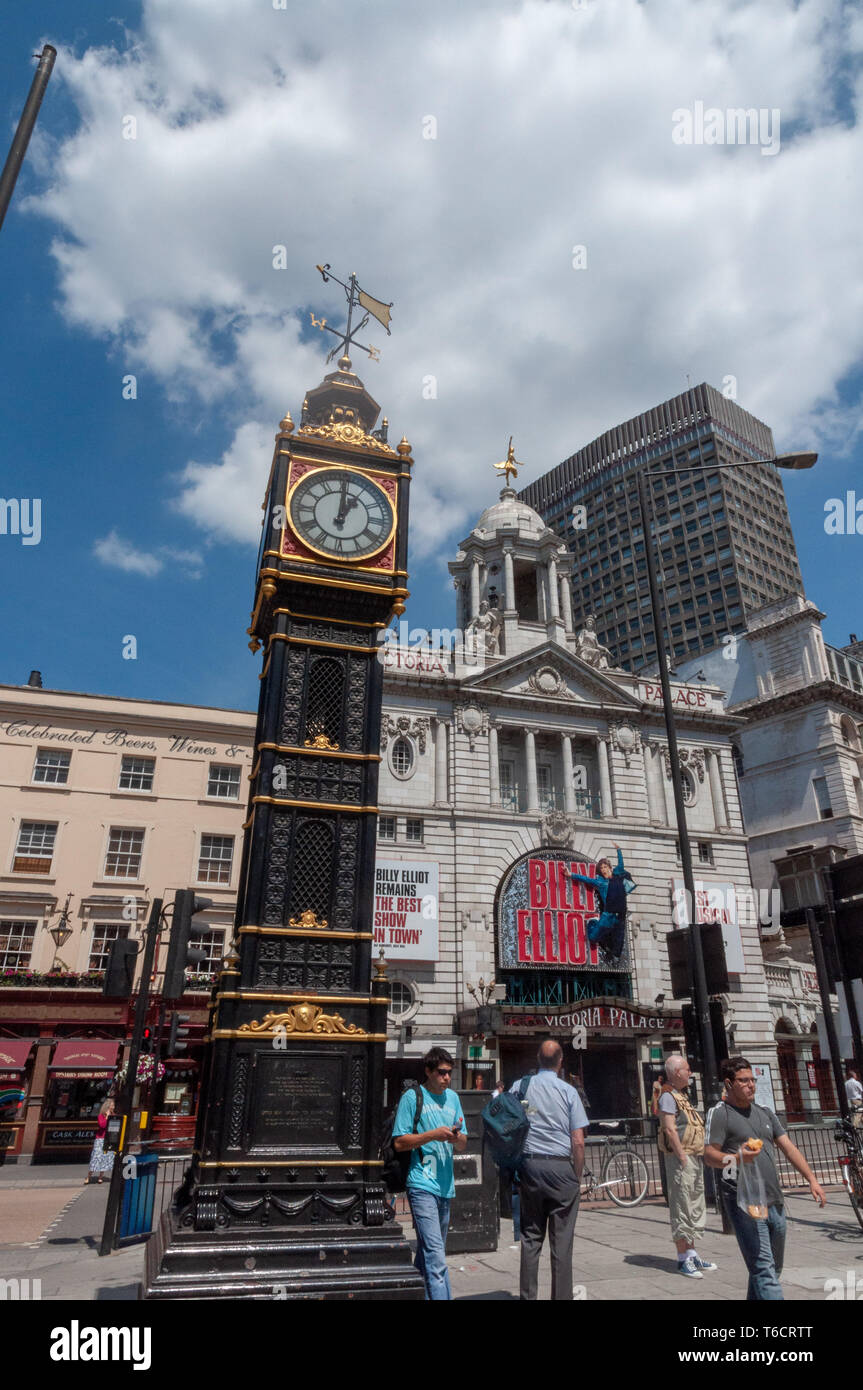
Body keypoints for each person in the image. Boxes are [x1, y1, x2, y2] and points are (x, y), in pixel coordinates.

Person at [704, 1055, 826, 1300]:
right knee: (764, 1269)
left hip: (774, 1198)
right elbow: (709, 1156)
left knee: (771, 1269)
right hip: (744, 1200)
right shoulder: (720, 1114)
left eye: (752, 1080)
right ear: (729, 1083)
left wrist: (812, 1179)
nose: (751, 1085)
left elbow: (789, 1148)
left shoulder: (765, 1113)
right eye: (743, 1080)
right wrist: (737, 1157)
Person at [510, 1039, 588, 1300]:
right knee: (562, 1242)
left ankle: (527, 1296)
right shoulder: (568, 1092)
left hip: (530, 1166)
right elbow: (578, 1141)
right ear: (560, 1061)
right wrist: (576, 1176)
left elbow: (510, 1121)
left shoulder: (520, 1087)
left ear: (537, 1059)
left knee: (531, 1237)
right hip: (560, 1166)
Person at [393, 1046, 467, 1300]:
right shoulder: (412, 1097)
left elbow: (463, 1143)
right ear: (428, 1071)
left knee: (427, 1255)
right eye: (441, 1072)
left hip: (445, 1186)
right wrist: (433, 1135)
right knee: (437, 1258)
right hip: (421, 1183)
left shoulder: (453, 1098)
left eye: (449, 1073)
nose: (446, 1078)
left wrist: (455, 1137)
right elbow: (400, 1141)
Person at [657, 1054, 717, 1278]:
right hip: (681, 1158)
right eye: (687, 1069)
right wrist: (681, 1156)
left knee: (693, 1204)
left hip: (693, 1155)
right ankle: (683, 1259)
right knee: (681, 1206)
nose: (690, 1073)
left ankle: (691, 1253)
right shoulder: (667, 1096)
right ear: (676, 1073)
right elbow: (669, 1128)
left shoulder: (681, 1095)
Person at [571, 844, 636, 963]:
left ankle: (614, 957)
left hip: (620, 916)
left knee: (618, 942)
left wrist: (619, 850)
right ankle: (593, 922)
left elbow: (621, 864)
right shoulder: (600, 883)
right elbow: (586, 879)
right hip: (608, 916)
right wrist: (571, 874)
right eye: (602, 868)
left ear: (610, 868)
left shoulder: (617, 875)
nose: (604, 870)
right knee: (593, 937)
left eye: (605, 867)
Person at [86, 1096, 115, 1185]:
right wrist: (107, 1117)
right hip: (100, 1139)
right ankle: (89, 1176)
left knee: (105, 1158)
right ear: (107, 1106)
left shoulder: (114, 1115)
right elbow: (102, 1125)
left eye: (113, 1105)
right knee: (96, 1157)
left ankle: (100, 1177)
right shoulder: (101, 1116)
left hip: (108, 1139)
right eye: (112, 1105)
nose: (113, 1107)